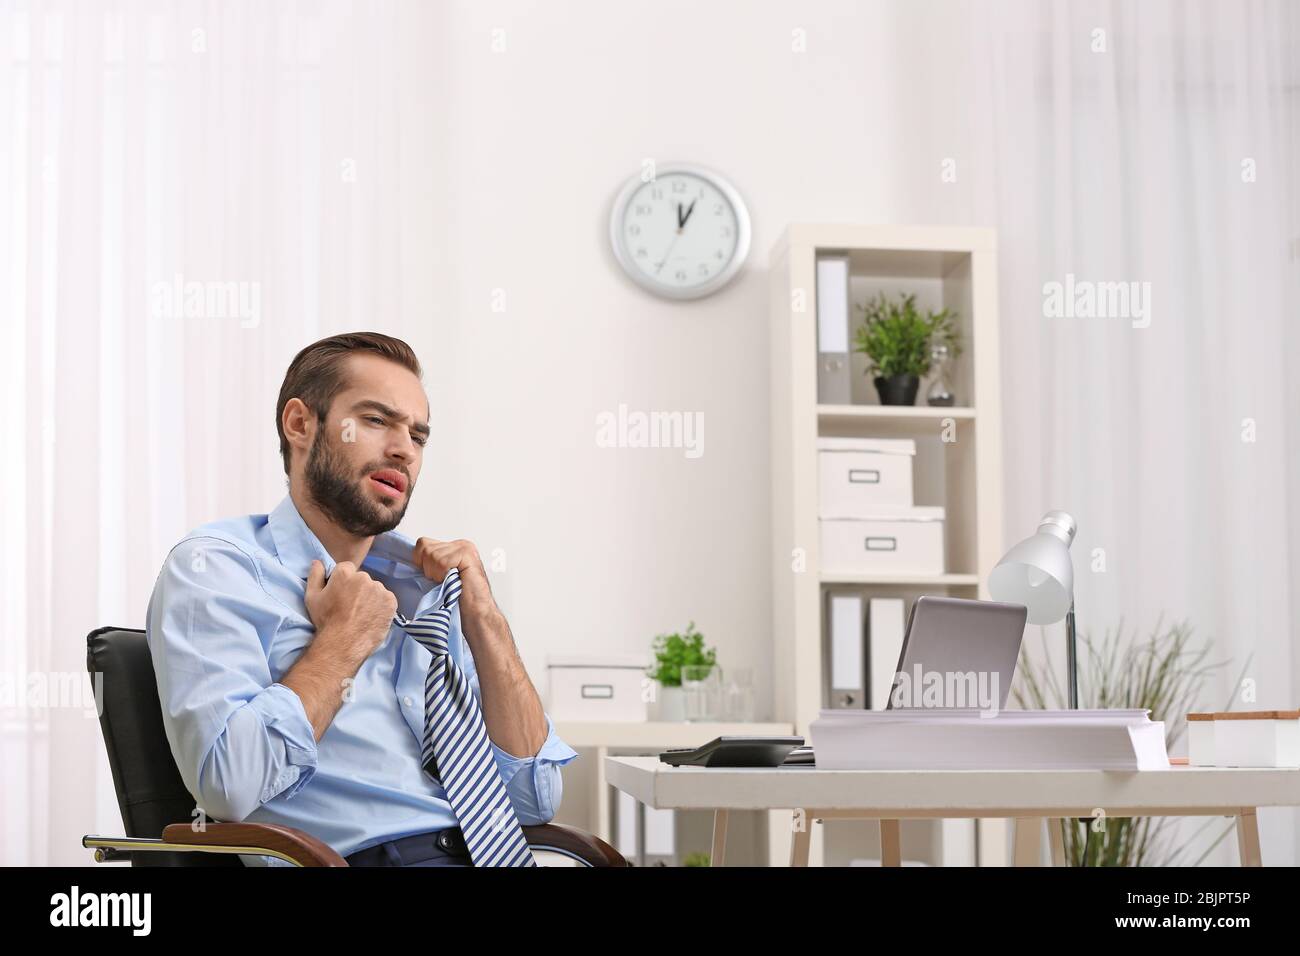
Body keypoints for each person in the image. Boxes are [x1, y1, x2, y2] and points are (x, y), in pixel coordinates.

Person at [146, 331, 577, 867]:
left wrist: (485, 620)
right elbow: (230, 785)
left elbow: (533, 800)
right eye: (376, 421)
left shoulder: (431, 597)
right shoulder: (217, 567)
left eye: (418, 436)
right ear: (300, 424)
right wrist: (344, 640)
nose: (404, 449)